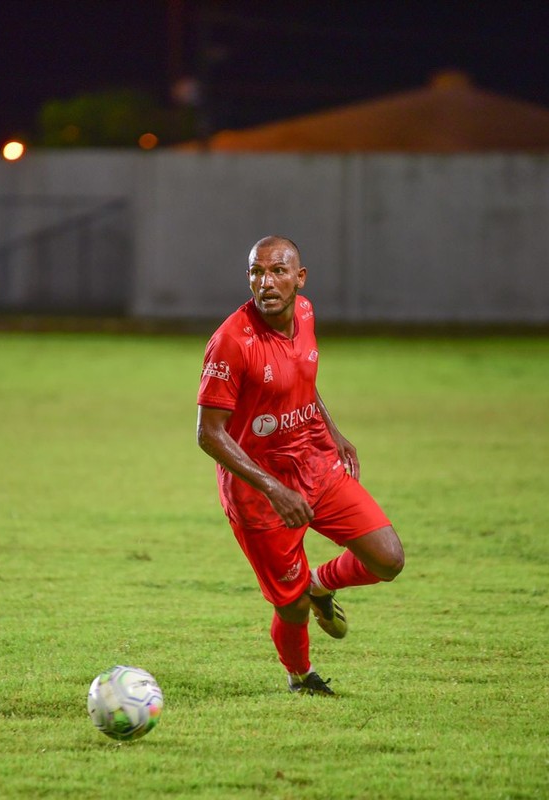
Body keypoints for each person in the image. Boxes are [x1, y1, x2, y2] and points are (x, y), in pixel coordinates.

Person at [196, 235, 405, 696]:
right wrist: (274, 489)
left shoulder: (306, 314)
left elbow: (303, 378)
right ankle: (300, 678)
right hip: (259, 492)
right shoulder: (232, 341)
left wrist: (333, 430)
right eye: (256, 272)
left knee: (388, 559)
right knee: (289, 607)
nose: (265, 282)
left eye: (277, 271)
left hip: (314, 461)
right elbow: (208, 433)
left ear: (299, 278)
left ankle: (320, 584)